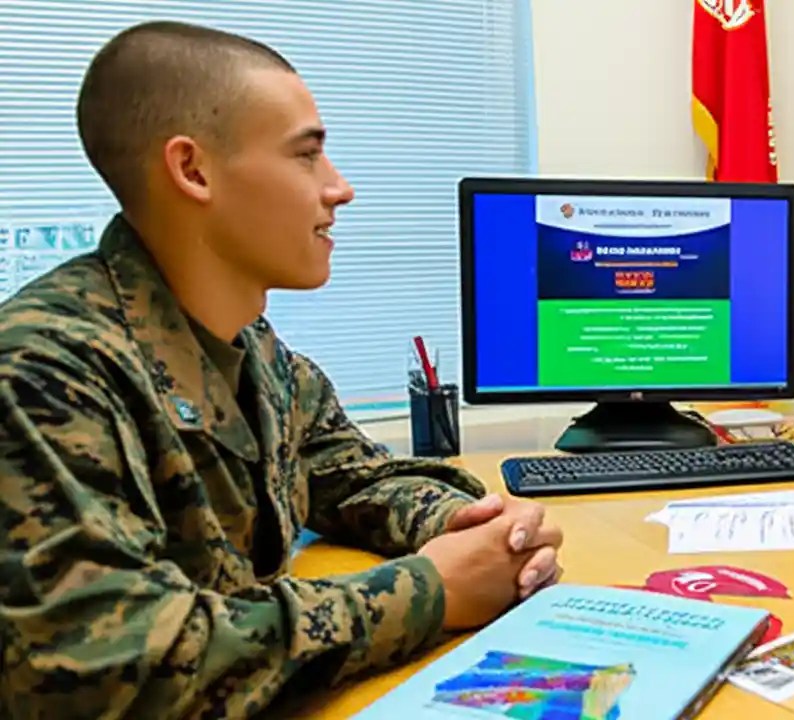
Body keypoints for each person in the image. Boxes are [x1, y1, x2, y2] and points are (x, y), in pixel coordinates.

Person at [0, 21, 563, 718]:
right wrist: (431, 591)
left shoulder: (256, 351)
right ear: (193, 170)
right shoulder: (44, 369)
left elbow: (353, 475)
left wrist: (474, 529)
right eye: (307, 156)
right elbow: (106, 666)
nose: (340, 188)